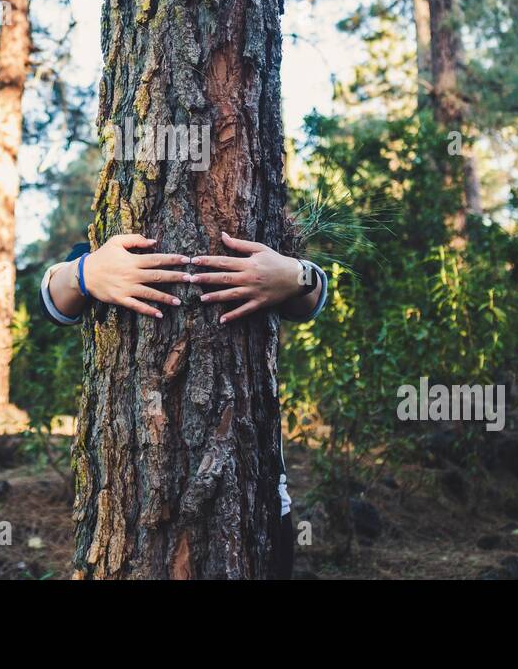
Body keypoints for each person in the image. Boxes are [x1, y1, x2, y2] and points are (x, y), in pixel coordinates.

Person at [40, 229, 328, 579]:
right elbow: (53, 300)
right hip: (128, 497)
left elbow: (311, 295)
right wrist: (84, 273)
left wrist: (296, 273)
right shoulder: (104, 247)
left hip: (255, 492)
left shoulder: (256, 233)